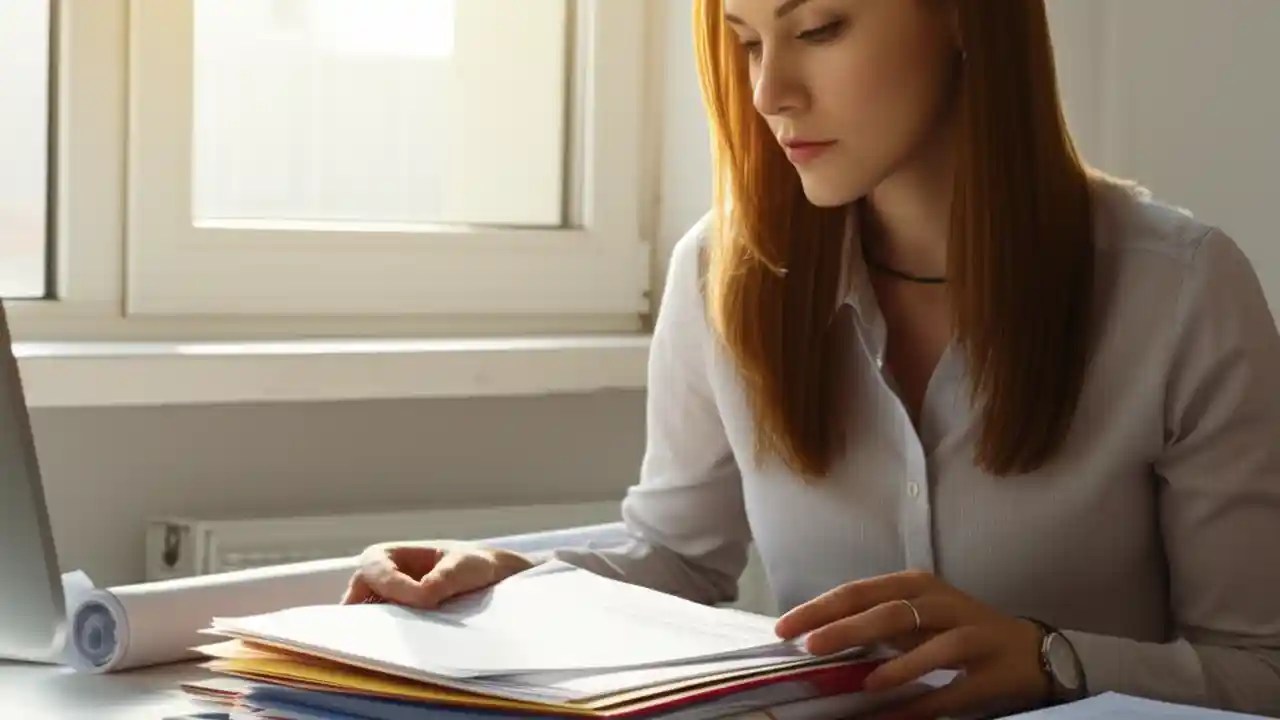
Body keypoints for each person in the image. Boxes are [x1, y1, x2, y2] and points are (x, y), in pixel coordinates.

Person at [343, 1, 1280, 717]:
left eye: (820, 28)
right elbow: (676, 556)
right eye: (747, 39)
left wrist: (1052, 662)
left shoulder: (1181, 288)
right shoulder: (721, 271)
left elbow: (1261, 672)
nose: (768, 92)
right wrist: (505, 575)